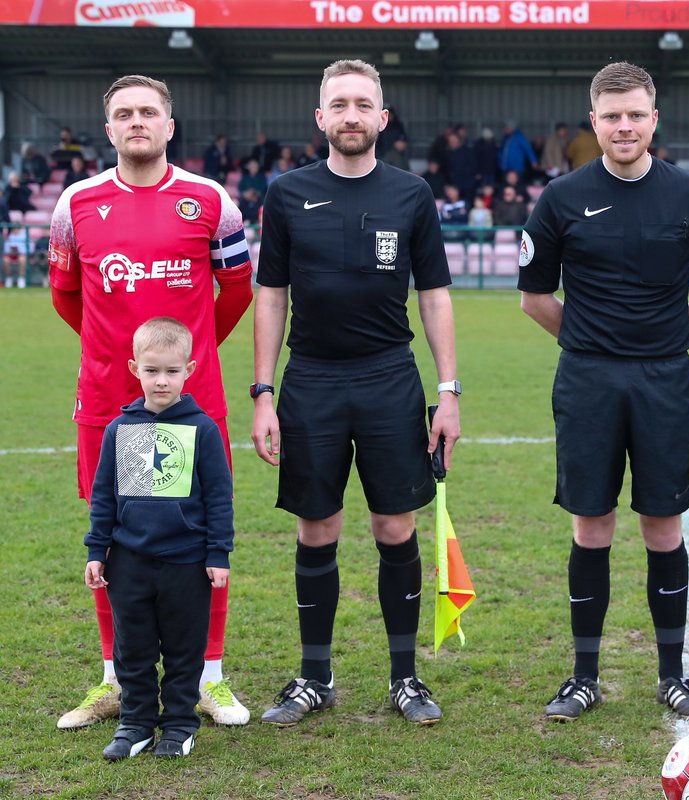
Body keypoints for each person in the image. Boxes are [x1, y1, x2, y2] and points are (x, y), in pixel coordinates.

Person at [519, 61, 689, 724]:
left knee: (663, 526)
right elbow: (534, 299)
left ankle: (673, 676)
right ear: (595, 122)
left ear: (653, 120)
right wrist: (591, 341)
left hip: (665, 379)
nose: (624, 126)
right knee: (592, 525)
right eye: (612, 116)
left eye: (635, 115)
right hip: (586, 379)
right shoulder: (559, 199)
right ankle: (585, 676)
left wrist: (669, 338)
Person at [253, 59, 460, 728]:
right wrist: (263, 391)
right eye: (338, 104)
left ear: (381, 117)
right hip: (310, 378)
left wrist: (448, 390)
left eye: (361, 104)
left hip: (388, 376)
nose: (349, 115)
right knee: (318, 527)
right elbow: (271, 295)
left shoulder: (411, 194)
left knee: (394, 525)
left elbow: (434, 294)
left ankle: (404, 677)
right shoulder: (286, 193)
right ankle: (316, 676)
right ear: (320, 118)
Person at [49, 74, 254, 730]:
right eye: (123, 114)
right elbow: (65, 295)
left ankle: (208, 680)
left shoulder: (210, 201)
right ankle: (115, 680)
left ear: (169, 126)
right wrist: (127, 366)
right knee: (114, 536)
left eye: (148, 112)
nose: (136, 122)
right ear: (108, 130)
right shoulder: (76, 204)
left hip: (192, 404)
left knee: (199, 531)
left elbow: (237, 292)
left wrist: (184, 366)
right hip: (111, 403)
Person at [84, 317, 235, 760]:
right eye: (152, 371)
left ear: (189, 369)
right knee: (133, 649)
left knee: (183, 649)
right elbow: (104, 496)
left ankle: (179, 726)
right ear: (135, 369)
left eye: (172, 371)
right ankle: (136, 724)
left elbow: (219, 498)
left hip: (186, 562)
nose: (162, 380)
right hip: (129, 561)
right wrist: (98, 550)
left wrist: (217, 553)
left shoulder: (202, 430)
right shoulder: (120, 430)